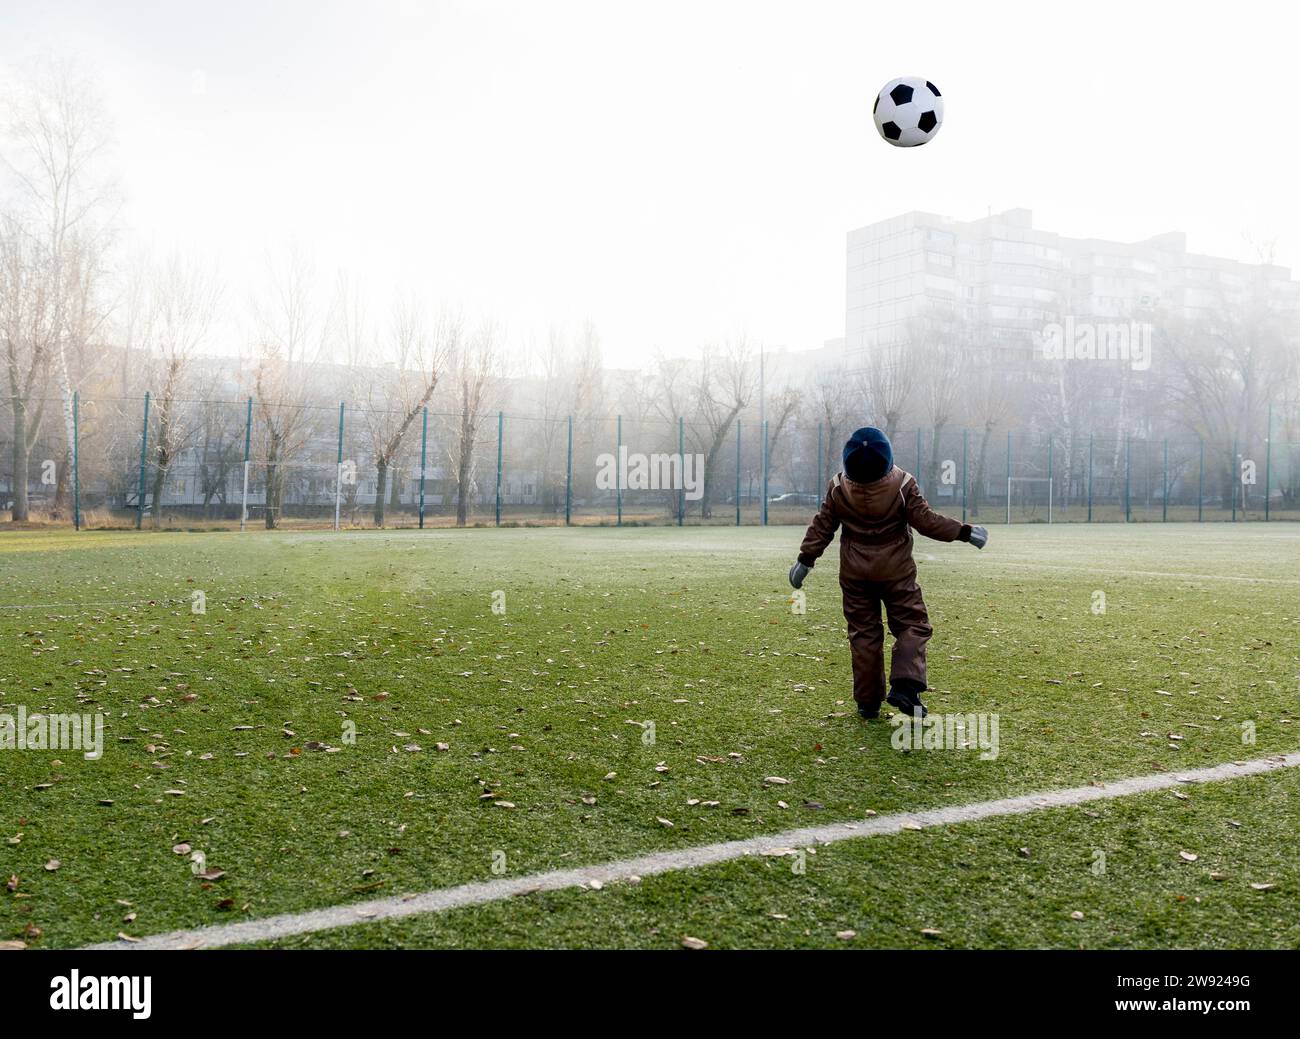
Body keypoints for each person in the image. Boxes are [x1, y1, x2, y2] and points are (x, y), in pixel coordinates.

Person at [788, 426, 987, 720]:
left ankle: (868, 703)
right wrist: (965, 532)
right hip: (896, 573)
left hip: (855, 575)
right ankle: (906, 685)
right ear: (887, 457)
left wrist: (805, 561)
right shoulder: (903, 484)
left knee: (864, 635)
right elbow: (927, 521)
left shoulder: (838, 487)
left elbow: (823, 526)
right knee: (913, 625)